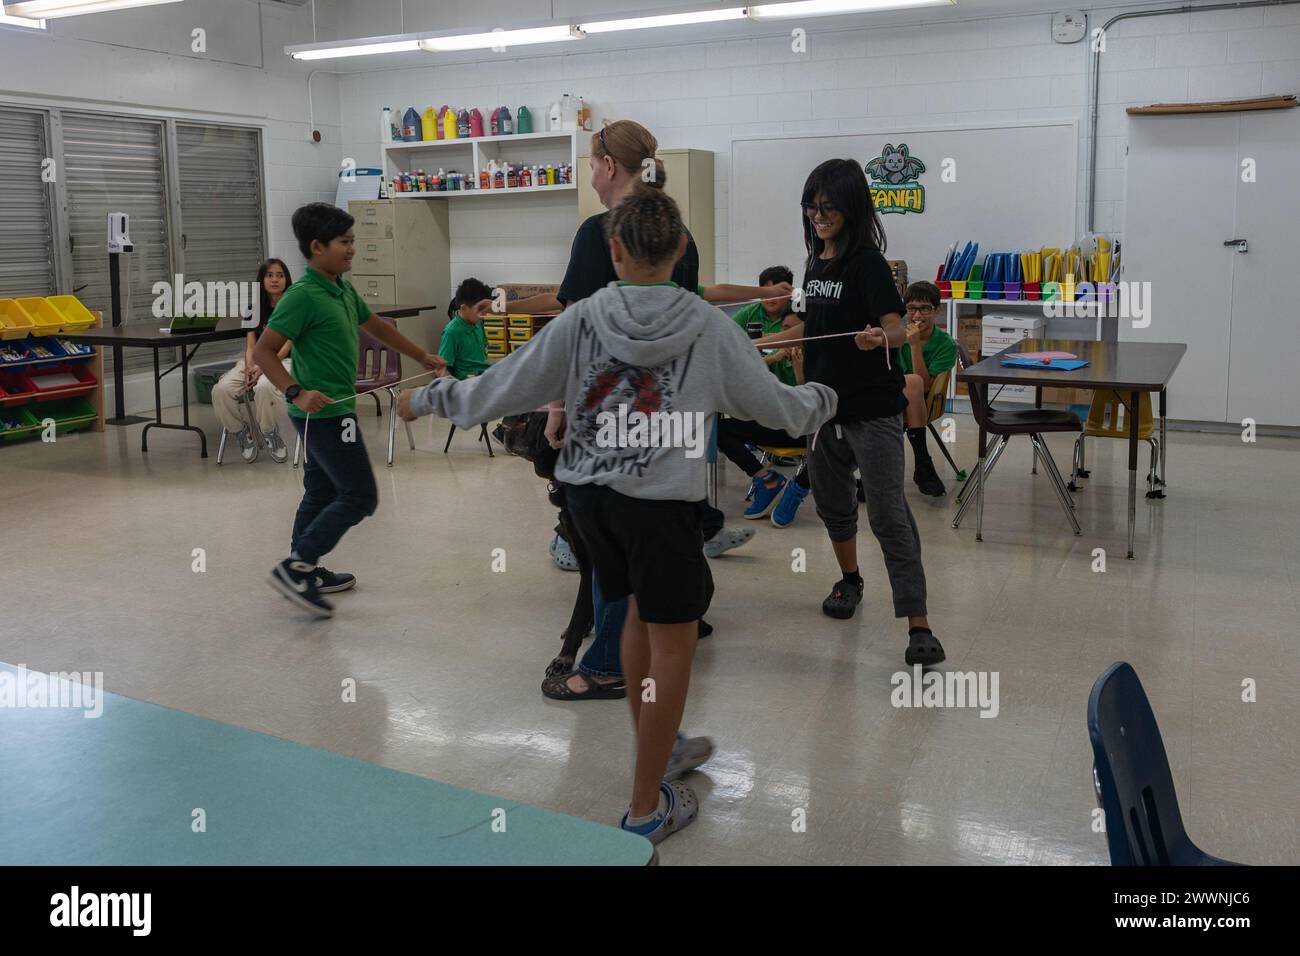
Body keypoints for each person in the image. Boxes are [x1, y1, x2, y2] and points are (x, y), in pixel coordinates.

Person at [397, 185, 836, 843]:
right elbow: (776, 408)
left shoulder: (580, 319)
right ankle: (645, 808)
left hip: (590, 504)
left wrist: (428, 399)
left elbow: (500, 387)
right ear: (681, 249)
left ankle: (665, 749)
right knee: (673, 643)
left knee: (633, 614)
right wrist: (827, 397)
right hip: (659, 510)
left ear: (614, 250)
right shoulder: (709, 326)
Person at [510, 120, 786, 702]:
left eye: (591, 162)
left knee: (615, 538)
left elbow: (575, 329)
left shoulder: (598, 233)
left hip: (609, 414)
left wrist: (557, 405)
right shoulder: (676, 232)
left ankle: (608, 662)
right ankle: (678, 615)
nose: (591, 173)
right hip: (673, 409)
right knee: (662, 524)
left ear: (609, 166)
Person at [754, 159, 945, 666]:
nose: (818, 216)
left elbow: (902, 326)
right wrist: (764, 346)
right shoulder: (815, 260)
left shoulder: (867, 263)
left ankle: (918, 622)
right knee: (834, 505)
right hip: (822, 408)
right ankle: (850, 579)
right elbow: (813, 329)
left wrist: (882, 336)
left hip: (871, 411)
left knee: (887, 512)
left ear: (851, 206)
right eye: (811, 207)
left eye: (828, 207)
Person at [254, 203, 445, 618]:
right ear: (317, 247)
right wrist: (295, 392)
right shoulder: (302, 295)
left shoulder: (340, 288)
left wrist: (422, 356)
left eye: (354, 240)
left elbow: (374, 325)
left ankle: (305, 568)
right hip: (322, 414)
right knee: (360, 495)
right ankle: (296, 566)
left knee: (320, 490)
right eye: (345, 242)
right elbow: (264, 352)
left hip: (331, 410)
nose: (353, 249)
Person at [716, 266, 816, 527]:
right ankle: (765, 478)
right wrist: (773, 356)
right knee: (718, 428)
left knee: (830, 439)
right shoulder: (755, 321)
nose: (787, 336)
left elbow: (810, 404)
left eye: (793, 331)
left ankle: (797, 490)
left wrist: (798, 367)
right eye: (783, 329)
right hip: (775, 418)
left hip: (807, 427)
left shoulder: (819, 353)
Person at [212, 259, 293, 463]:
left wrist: (264, 368)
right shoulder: (252, 309)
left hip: (285, 361)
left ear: (287, 280)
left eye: (280, 275)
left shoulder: (294, 306)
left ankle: (269, 432)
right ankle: (240, 431)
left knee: (264, 387)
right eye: (270, 275)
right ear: (262, 280)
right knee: (221, 390)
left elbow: (288, 344)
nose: (275, 279)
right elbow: (250, 345)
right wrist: (250, 367)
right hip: (257, 361)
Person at [897, 280, 957, 497]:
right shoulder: (897, 336)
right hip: (893, 397)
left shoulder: (946, 344)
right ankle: (923, 463)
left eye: (925, 308)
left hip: (923, 401)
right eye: (912, 308)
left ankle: (920, 464)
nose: (917, 315)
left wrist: (914, 346)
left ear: (937, 310)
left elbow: (926, 385)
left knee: (914, 383)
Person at [439, 278, 492, 380]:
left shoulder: (478, 323)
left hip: (482, 377)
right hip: (465, 383)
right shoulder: (451, 332)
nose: (485, 314)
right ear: (463, 308)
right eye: (481, 309)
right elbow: (441, 369)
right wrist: (454, 385)